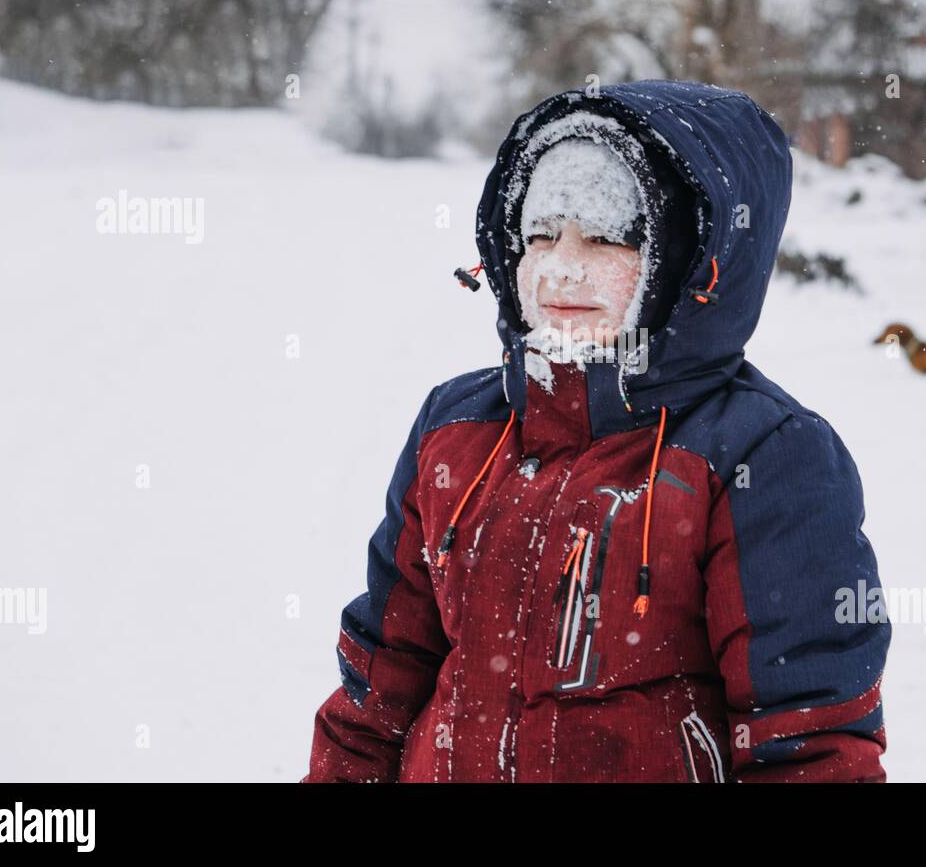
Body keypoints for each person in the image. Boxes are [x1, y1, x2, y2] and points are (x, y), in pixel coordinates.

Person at [302, 79, 891, 783]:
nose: (561, 266)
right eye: (541, 234)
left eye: (609, 236)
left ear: (689, 262)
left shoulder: (763, 454)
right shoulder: (456, 427)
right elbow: (380, 686)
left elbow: (811, 744)